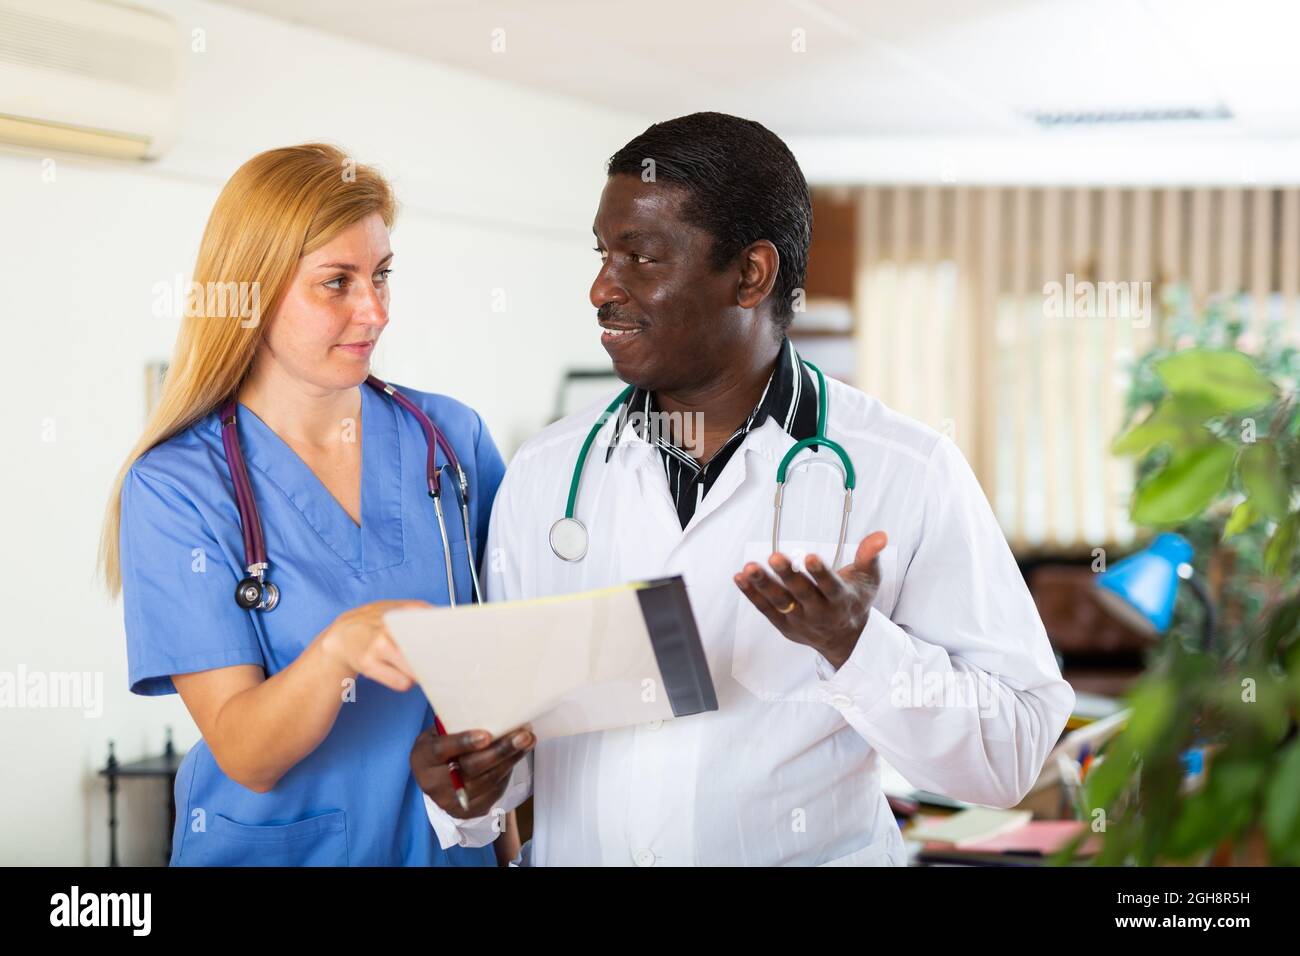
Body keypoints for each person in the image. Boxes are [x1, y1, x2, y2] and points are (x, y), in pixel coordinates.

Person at [413, 113, 1075, 866]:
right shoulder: (547, 472)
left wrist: (856, 644)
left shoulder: (907, 469)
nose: (602, 288)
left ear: (750, 274)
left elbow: (1012, 756)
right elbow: (509, 747)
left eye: (641, 257)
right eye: (603, 254)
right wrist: (467, 787)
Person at [102, 143, 518, 866]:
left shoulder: (449, 440)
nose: (376, 310)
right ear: (252, 290)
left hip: (449, 847)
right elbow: (244, 751)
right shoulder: (178, 487)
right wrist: (337, 652)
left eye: (382, 275)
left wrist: (509, 838)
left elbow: (514, 656)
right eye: (338, 282)